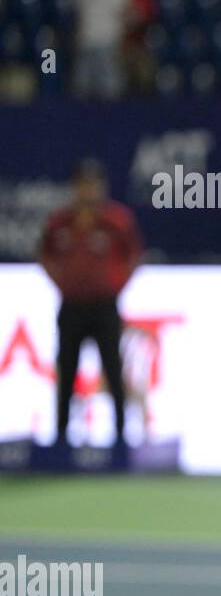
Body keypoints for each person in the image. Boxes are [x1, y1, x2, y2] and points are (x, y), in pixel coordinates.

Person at [38, 159, 142, 446]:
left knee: (111, 368)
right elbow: (45, 255)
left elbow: (133, 257)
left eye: (93, 184)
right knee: (67, 369)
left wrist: (114, 285)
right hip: (71, 306)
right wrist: (63, 283)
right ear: (75, 187)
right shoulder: (60, 222)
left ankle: (121, 437)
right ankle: (60, 437)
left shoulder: (116, 221)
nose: (88, 190)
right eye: (83, 184)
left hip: (104, 306)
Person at [72, 0, 132, 101]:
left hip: (109, 40)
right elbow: (80, 13)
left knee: (110, 88)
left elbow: (127, 11)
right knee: (82, 87)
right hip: (86, 41)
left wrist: (123, 40)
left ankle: (113, 123)